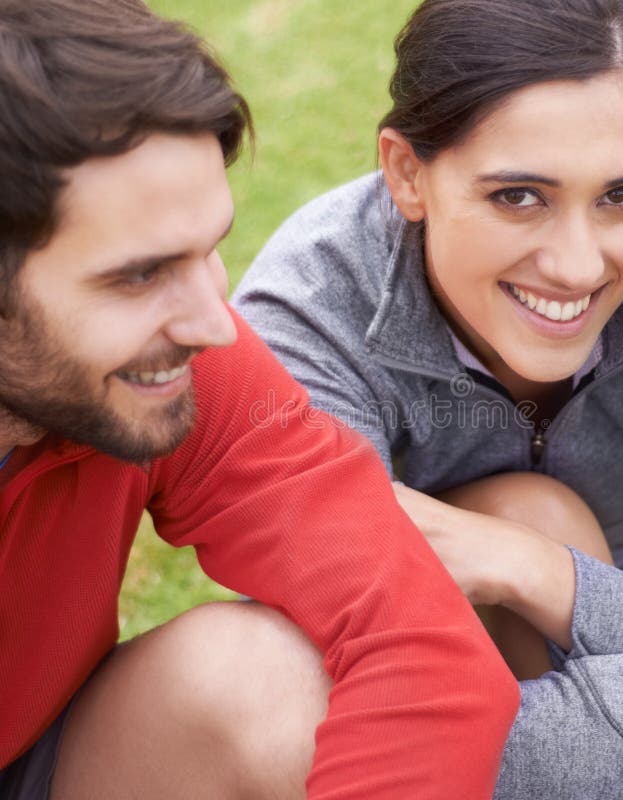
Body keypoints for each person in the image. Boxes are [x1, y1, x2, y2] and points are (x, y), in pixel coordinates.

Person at [232, 0, 623, 797]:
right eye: (518, 197)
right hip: (422, 627)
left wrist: (542, 573)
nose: (576, 267)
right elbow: (383, 735)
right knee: (531, 509)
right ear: (406, 174)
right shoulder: (308, 314)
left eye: (622, 195)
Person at [0, 1, 522, 798]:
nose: (215, 323)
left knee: (260, 678)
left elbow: (417, 644)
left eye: (207, 252)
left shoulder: (183, 369)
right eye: (139, 275)